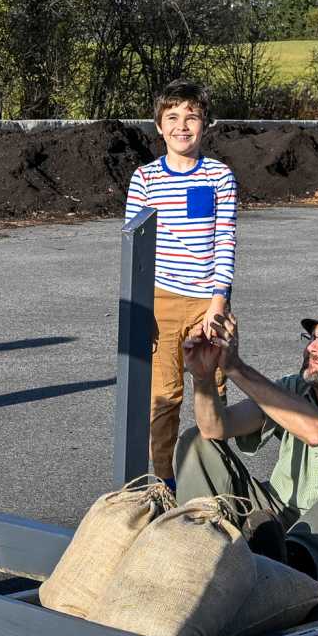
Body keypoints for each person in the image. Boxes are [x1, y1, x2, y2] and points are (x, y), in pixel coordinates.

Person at [178, 300, 318, 597]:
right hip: (277, 528)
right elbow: (215, 427)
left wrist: (236, 367)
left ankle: (296, 562)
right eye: (312, 338)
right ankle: (200, 554)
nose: (312, 347)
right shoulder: (295, 388)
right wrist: (204, 377)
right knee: (197, 441)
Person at [124, 77, 238, 482]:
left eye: (192, 117)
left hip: (208, 302)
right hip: (162, 301)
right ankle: (165, 481)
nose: (182, 126)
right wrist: (143, 309)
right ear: (158, 126)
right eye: (172, 117)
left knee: (213, 390)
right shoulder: (145, 180)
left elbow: (225, 238)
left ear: (206, 124)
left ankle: (214, 475)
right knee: (164, 397)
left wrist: (218, 304)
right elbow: (134, 250)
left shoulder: (220, 177)